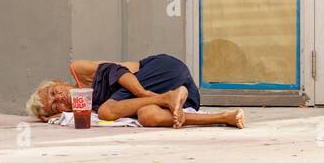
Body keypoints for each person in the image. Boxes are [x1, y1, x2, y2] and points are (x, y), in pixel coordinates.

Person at [25, 54, 244, 129]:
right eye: (55, 105)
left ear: (57, 81)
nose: (60, 98)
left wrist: (144, 94)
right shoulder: (81, 110)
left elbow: (119, 71)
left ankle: (169, 97)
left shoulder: (80, 71)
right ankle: (225, 117)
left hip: (160, 71)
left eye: (54, 92)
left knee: (107, 111)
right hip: (181, 88)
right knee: (149, 116)